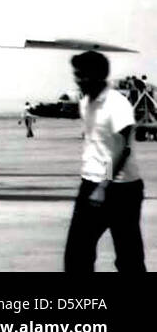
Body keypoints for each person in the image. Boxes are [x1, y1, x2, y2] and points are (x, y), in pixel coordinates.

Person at [64, 51, 145, 272]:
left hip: (121, 189)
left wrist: (103, 185)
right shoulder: (85, 103)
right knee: (77, 254)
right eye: (76, 74)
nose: (77, 79)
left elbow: (122, 151)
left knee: (129, 258)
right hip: (90, 183)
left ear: (97, 75)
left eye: (82, 75)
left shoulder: (117, 104)